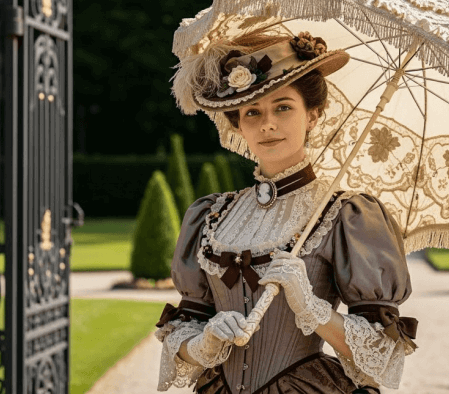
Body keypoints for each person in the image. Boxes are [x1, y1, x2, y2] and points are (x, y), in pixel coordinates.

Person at [155, 30, 418, 394]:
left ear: (312, 115)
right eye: (252, 112)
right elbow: (182, 334)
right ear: (238, 123)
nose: (267, 124)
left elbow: (383, 354)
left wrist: (310, 306)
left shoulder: (345, 215)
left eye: (283, 107)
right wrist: (204, 343)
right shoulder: (212, 215)